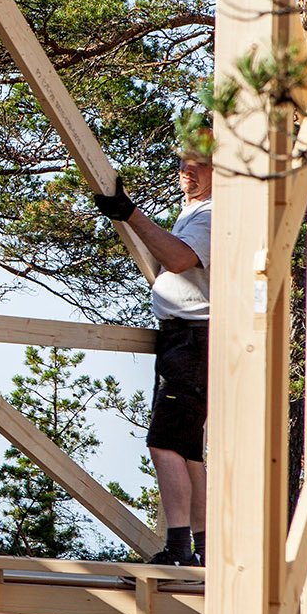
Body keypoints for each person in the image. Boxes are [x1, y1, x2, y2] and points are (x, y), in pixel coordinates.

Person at [93, 145, 212, 567]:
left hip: (192, 341)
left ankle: (180, 548)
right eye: (183, 163)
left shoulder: (213, 214)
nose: (186, 171)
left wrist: (129, 213)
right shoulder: (197, 211)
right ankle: (199, 548)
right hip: (188, 340)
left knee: (164, 445)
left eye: (197, 164)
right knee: (187, 450)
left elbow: (178, 258)